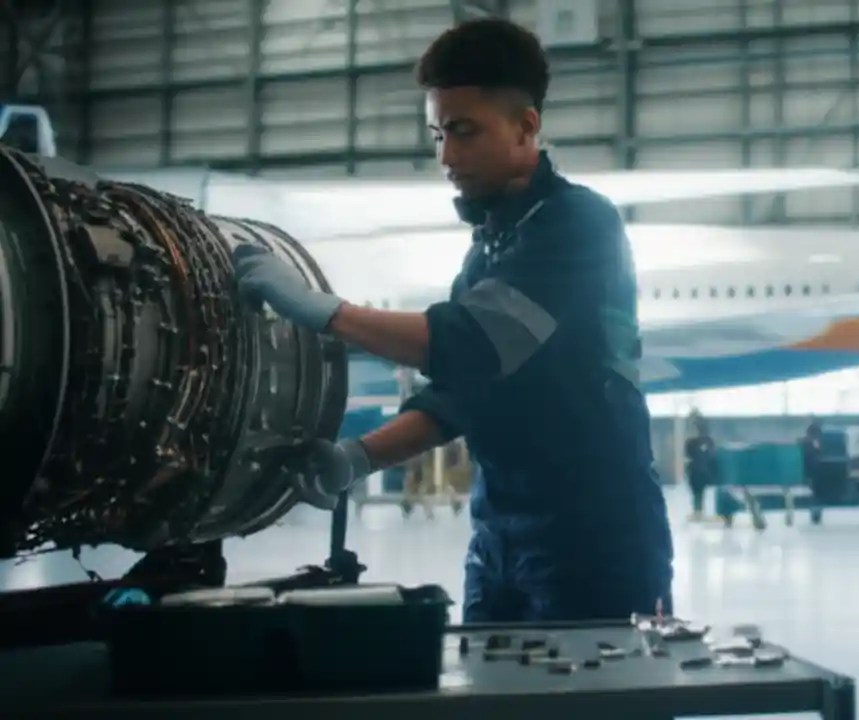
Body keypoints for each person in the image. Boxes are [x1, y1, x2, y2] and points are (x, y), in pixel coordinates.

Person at [232, 17, 673, 622]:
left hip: (595, 535)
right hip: (501, 535)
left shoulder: (578, 224)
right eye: (438, 135)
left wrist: (322, 310)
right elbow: (465, 392)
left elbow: (471, 346)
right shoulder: (491, 248)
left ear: (527, 125)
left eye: (464, 132)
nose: (447, 156)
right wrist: (358, 457)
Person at [683, 410, 717, 522]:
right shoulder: (703, 441)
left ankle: (698, 511)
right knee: (698, 493)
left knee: (698, 493)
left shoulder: (698, 442)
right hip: (699, 470)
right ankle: (698, 511)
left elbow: (689, 454)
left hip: (699, 470)